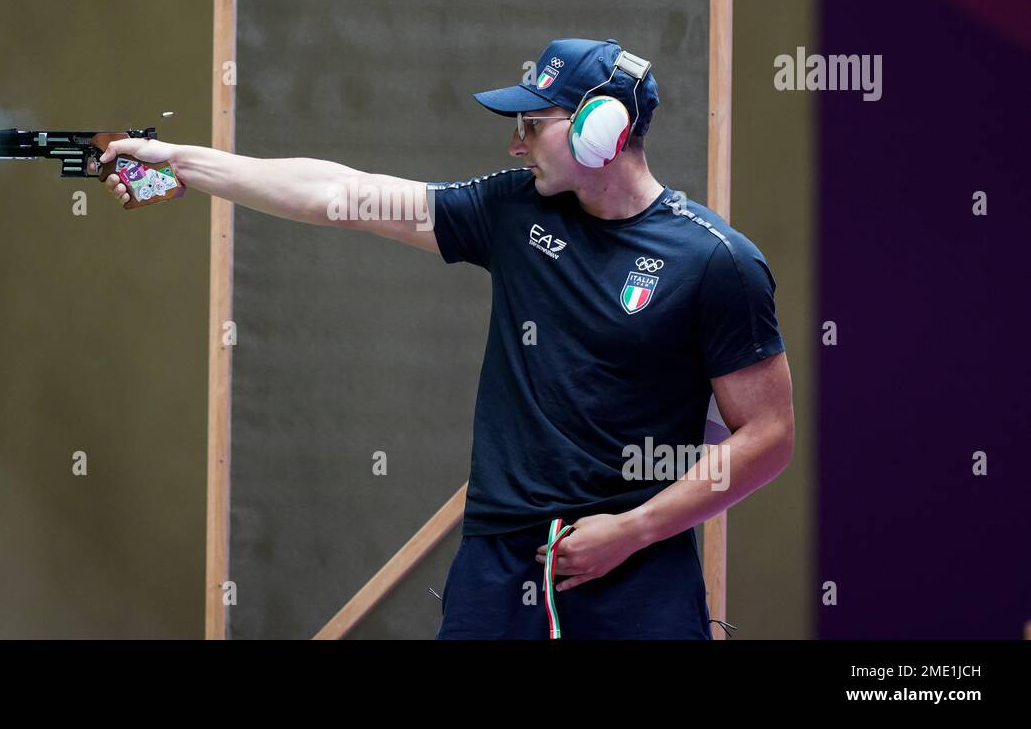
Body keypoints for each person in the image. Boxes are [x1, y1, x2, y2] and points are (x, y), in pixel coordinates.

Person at [100, 37, 795, 640]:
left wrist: (634, 530)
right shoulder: (512, 208)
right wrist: (182, 162)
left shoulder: (715, 261)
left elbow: (767, 437)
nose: (515, 143)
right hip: (498, 561)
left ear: (600, 130)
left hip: (637, 569)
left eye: (532, 123)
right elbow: (342, 194)